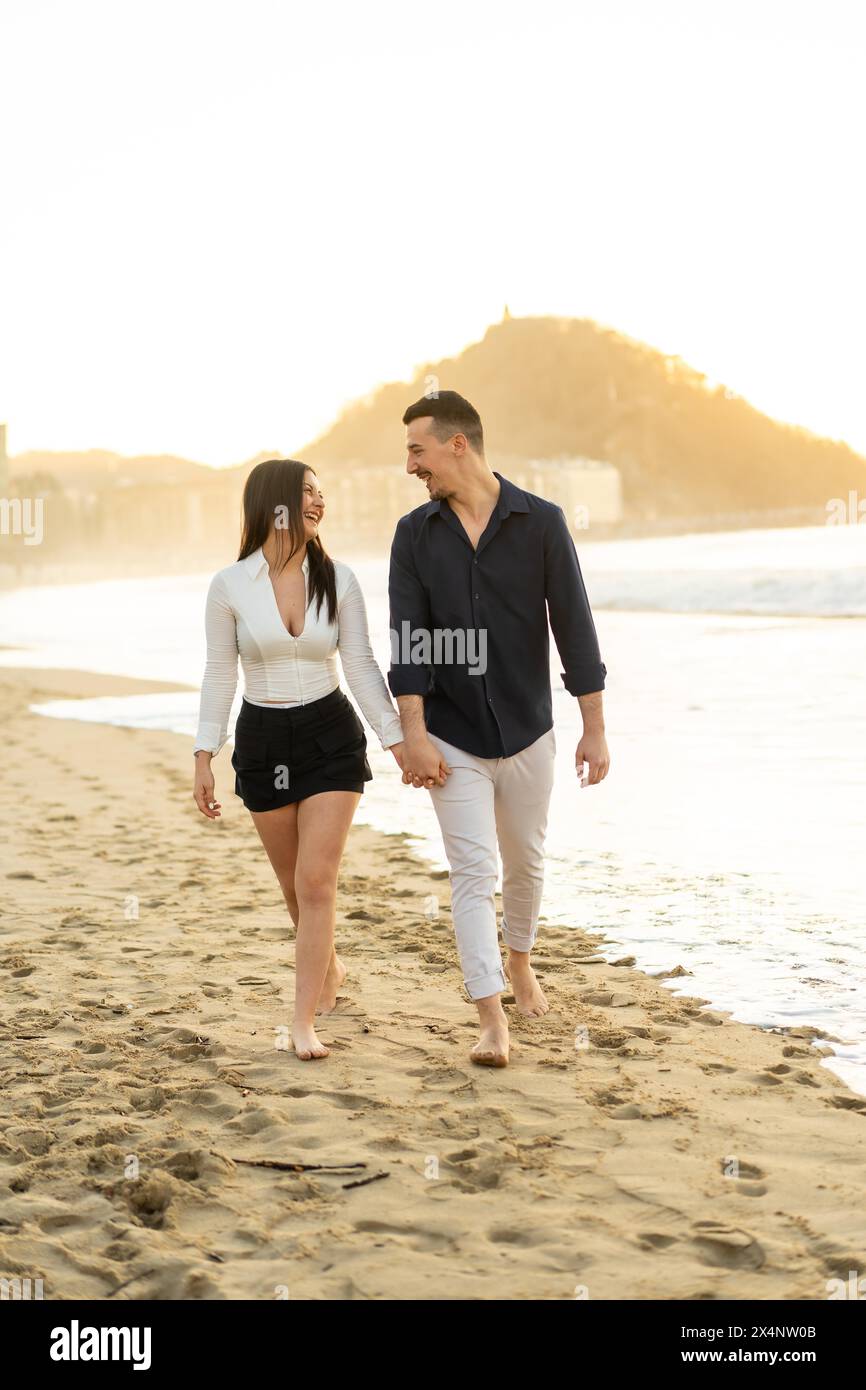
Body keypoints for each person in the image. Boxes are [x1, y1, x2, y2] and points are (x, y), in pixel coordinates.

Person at [388, 391, 610, 1068]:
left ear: (459, 444)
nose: (410, 468)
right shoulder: (415, 534)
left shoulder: (541, 522)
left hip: (529, 728)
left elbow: (573, 623)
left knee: (526, 862)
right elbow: (409, 641)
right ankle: (491, 1020)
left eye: (417, 451)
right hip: (451, 734)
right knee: (471, 871)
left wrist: (593, 728)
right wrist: (415, 735)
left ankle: (520, 964)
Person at [193, 458, 404, 1060]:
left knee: (316, 883)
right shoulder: (229, 586)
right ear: (275, 502)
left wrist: (397, 741)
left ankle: (302, 1020)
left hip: (329, 733)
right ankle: (329, 967)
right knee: (293, 888)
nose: (319, 501)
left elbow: (361, 666)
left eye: (320, 491)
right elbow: (218, 673)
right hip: (262, 738)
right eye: (307, 491)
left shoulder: (339, 580)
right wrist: (205, 753)